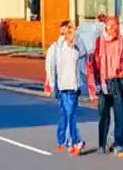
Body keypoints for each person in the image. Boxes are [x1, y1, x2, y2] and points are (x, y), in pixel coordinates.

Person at [87, 15, 123, 157]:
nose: (112, 28)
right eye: (110, 25)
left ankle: (118, 144)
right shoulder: (99, 42)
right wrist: (93, 88)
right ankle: (102, 144)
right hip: (104, 82)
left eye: (115, 25)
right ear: (105, 26)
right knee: (103, 115)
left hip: (118, 81)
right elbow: (92, 66)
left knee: (120, 115)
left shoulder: (121, 42)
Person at [44, 19, 87, 155]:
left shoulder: (76, 48)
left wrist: (76, 38)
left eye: (70, 29)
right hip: (61, 87)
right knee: (66, 114)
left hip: (73, 87)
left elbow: (84, 56)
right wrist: (51, 84)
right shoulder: (56, 48)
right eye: (65, 29)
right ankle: (66, 140)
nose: (67, 32)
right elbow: (50, 67)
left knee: (70, 115)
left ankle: (73, 142)